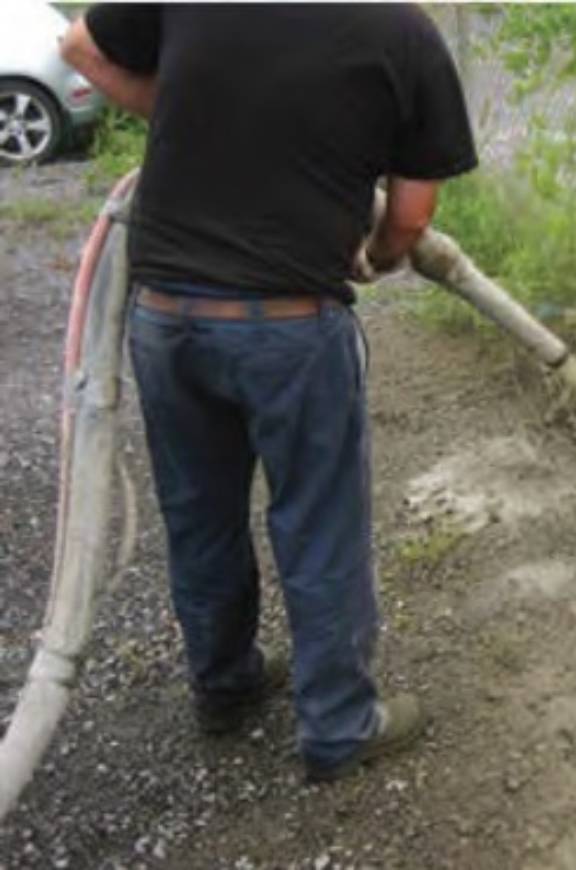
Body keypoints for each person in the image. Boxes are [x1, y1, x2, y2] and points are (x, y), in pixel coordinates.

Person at [60, 4, 478, 783]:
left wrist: (192, 116)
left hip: (166, 318)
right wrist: (375, 256)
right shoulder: (403, 33)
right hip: (288, 326)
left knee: (199, 511)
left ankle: (224, 686)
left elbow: (82, 46)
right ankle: (338, 725)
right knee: (318, 524)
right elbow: (413, 214)